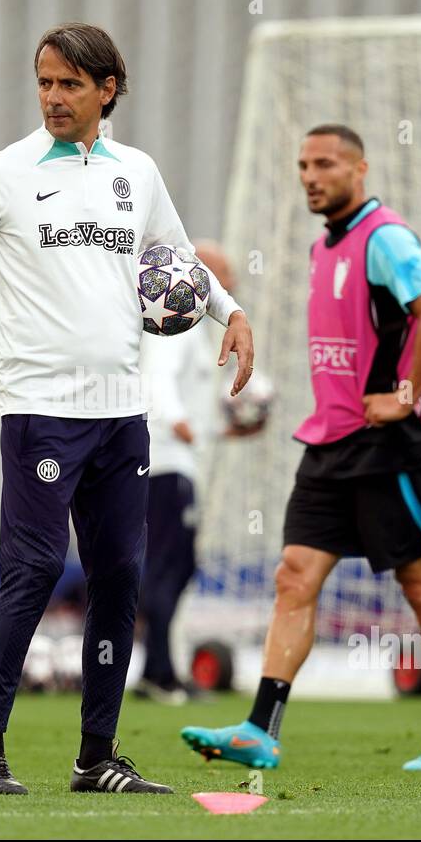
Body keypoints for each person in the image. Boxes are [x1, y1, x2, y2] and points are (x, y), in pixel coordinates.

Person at [0, 23, 254, 794]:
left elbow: (179, 263)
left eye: (70, 84)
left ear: (108, 90)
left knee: (121, 580)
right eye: (44, 81)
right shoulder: (6, 172)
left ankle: (97, 757)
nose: (53, 97)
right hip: (39, 410)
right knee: (32, 573)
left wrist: (229, 311)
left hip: (121, 416)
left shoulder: (137, 173)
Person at [180, 124, 421, 771]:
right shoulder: (325, 247)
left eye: (326, 164)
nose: (311, 176)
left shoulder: (387, 240)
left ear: (360, 169)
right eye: (303, 165)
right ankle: (261, 728)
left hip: (391, 444)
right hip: (331, 441)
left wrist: (405, 393)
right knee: (294, 576)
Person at [135, 240, 257, 704]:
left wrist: (222, 433)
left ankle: (161, 669)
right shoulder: (179, 325)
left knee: (175, 566)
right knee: (169, 567)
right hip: (164, 464)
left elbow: (191, 405)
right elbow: (158, 379)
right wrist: (175, 421)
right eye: (222, 272)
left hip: (177, 460)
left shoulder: (197, 333)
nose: (231, 283)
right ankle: (159, 673)